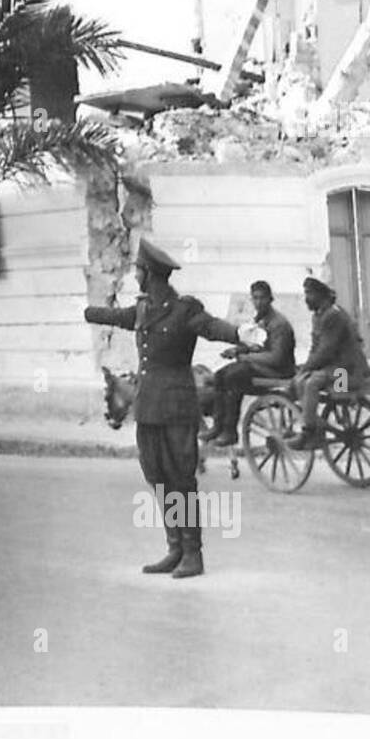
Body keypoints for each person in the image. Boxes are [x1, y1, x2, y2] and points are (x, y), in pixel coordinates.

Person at [84, 238, 240, 578]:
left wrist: (240, 333)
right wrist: (87, 312)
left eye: (138, 270)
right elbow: (116, 315)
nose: (135, 275)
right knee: (156, 477)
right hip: (149, 408)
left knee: (181, 479)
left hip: (178, 406)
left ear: (149, 274)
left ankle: (193, 554)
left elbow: (212, 327)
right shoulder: (141, 309)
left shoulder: (185, 309)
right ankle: (174, 548)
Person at [203, 281, 297, 446]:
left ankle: (230, 431)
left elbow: (276, 358)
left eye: (262, 298)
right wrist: (239, 350)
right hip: (263, 367)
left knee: (234, 376)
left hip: (279, 370)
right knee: (220, 375)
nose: (259, 302)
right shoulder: (261, 320)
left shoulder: (279, 324)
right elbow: (258, 345)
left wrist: (246, 358)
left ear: (270, 299)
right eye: (255, 298)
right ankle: (218, 426)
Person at [285, 277, 370, 450]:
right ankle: (314, 422)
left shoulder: (333, 316)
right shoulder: (319, 315)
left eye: (309, 294)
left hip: (347, 371)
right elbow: (316, 348)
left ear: (320, 295)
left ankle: (310, 432)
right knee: (302, 379)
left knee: (311, 383)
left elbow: (326, 351)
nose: (306, 298)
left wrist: (306, 368)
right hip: (336, 367)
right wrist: (304, 368)